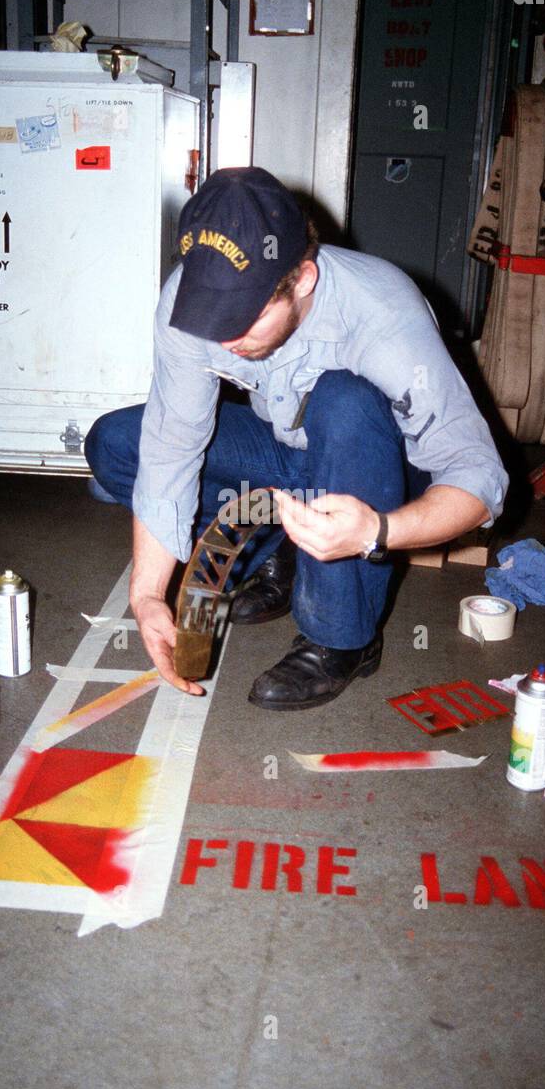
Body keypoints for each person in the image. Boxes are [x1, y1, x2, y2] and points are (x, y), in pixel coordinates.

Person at [85, 166, 508, 710]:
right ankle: (282, 543)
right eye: (212, 316)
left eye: (245, 319)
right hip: (288, 448)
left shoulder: (382, 316)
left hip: (378, 467)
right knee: (118, 443)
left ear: (302, 279)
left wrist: (377, 531)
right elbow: (172, 443)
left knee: (345, 401)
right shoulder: (189, 301)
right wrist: (146, 596)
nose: (225, 337)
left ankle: (340, 638)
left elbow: (480, 478)